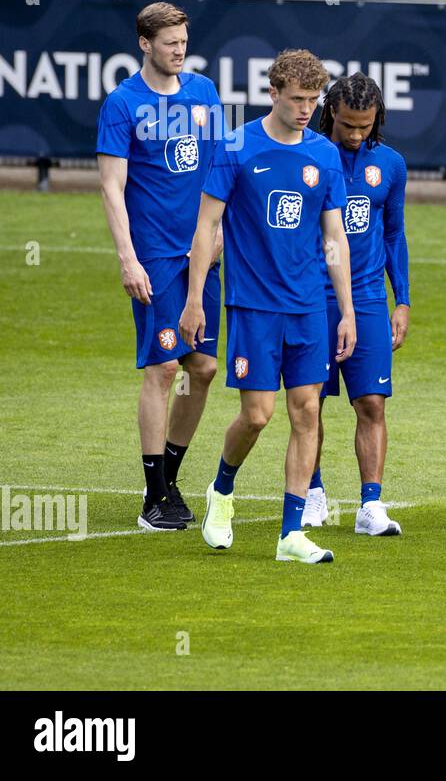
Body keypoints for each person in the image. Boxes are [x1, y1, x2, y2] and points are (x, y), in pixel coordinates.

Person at [179, 49, 355, 564]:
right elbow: (207, 226)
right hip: (252, 307)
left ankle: (290, 534)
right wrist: (195, 301)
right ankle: (222, 490)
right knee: (257, 417)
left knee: (307, 415)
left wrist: (344, 310)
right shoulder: (236, 149)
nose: (306, 109)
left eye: (313, 100)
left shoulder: (323, 155)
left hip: (308, 308)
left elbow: (335, 238)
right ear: (273, 93)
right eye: (297, 99)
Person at [95, 1, 225, 530]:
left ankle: (169, 480)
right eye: (169, 42)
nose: (179, 50)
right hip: (154, 256)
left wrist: (220, 237)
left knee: (204, 368)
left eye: (183, 42)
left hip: (203, 255)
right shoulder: (122, 104)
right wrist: (128, 258)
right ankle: (154, 499)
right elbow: (112, 186)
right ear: (145, 44)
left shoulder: (204, 94)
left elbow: (220, 173)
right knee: (164, 367)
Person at [301, 73, 408, 537]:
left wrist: (401, 300)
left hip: (366, 299)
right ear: (331, 115)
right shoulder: (307, 156)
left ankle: (371, 504)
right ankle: (313, 493)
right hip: (309, 298)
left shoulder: (391, 165)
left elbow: (395, 235)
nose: (356, 134)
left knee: (372, 403)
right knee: (309, 403)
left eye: (365, 126)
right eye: (347, 125)